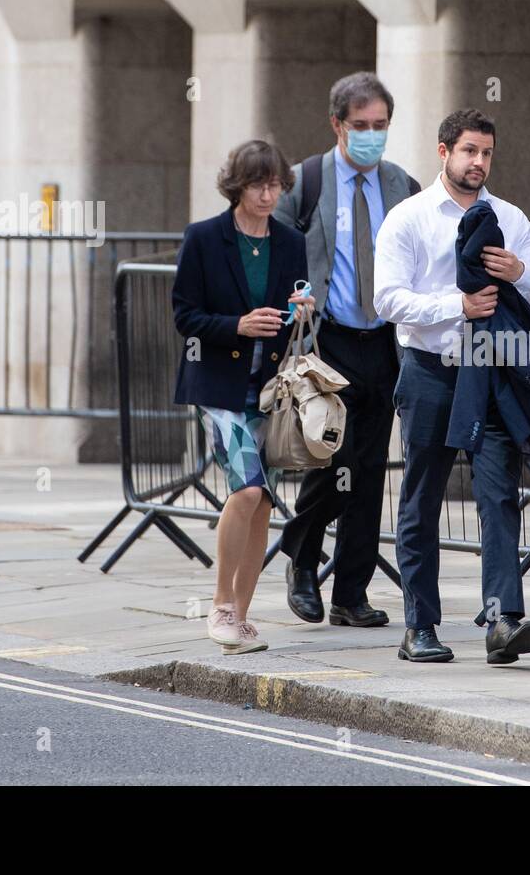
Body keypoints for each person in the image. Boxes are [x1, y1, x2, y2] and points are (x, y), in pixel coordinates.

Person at [373, 108, 530, 665]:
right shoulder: (408, 218)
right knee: (422, 497)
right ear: (443, 152)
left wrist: (518, 274)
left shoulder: (510, 218)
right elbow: (387, 300)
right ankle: (419, 627)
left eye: (487, 153)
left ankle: (503, 621)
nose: (479, 162)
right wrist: (458, 304)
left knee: (499, 495)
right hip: (429, 368)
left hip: (492, 369)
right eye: (469, 151)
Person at [274, 72, 419, 628]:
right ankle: (303, 561)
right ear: (337, 125)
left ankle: (351, 594)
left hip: (382, 342)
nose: (372, 136)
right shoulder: (304, 182)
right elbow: (280, 251)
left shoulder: (400, 185)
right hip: (327, 340)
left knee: (367, 468)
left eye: (380, 126)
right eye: (361, 126)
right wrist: (292, 297)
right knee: (331, 459)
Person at [172, 139, 313, 655]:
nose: (268, 194)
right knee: (248, 490)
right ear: (237, 185)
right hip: (219, 388)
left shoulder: (291, 241)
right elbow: (185, 316)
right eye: (258, 184)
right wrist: (237, 325)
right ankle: (220, 604)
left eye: (276, 184)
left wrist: (301, 310)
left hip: (270, 392)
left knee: (262, 504)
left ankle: (243, 614)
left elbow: (293, 303)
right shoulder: (204, 238)